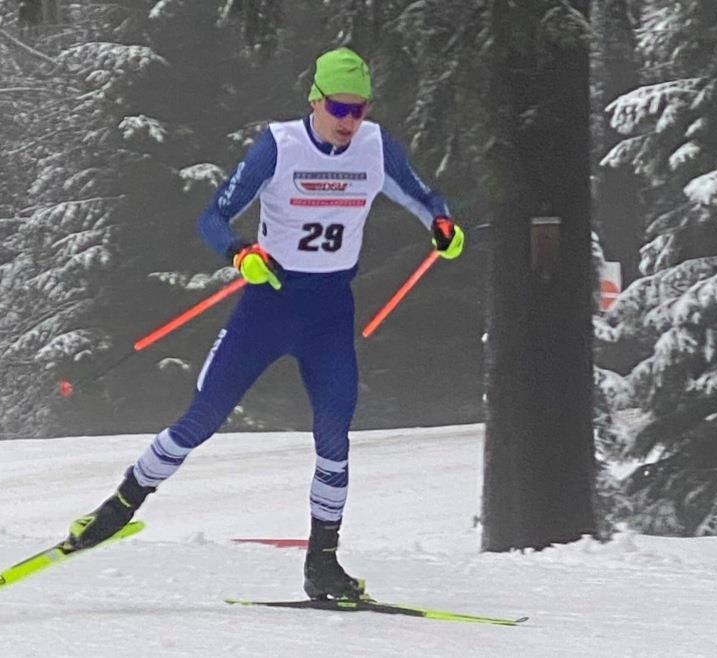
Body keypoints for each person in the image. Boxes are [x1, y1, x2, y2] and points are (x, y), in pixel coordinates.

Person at [65, 47, 465, 600]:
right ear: (315, 100)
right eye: (340, 108)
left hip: (329, 311)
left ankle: (322, 565)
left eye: (360, 109)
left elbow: (425, 198)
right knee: (201, 418)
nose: (350, 122)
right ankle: (115, 509)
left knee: (334, 437)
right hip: (269, 306)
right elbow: (212, 216)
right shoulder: (280, 146)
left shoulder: (375, 148)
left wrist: (443, 225)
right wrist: (238, 252)